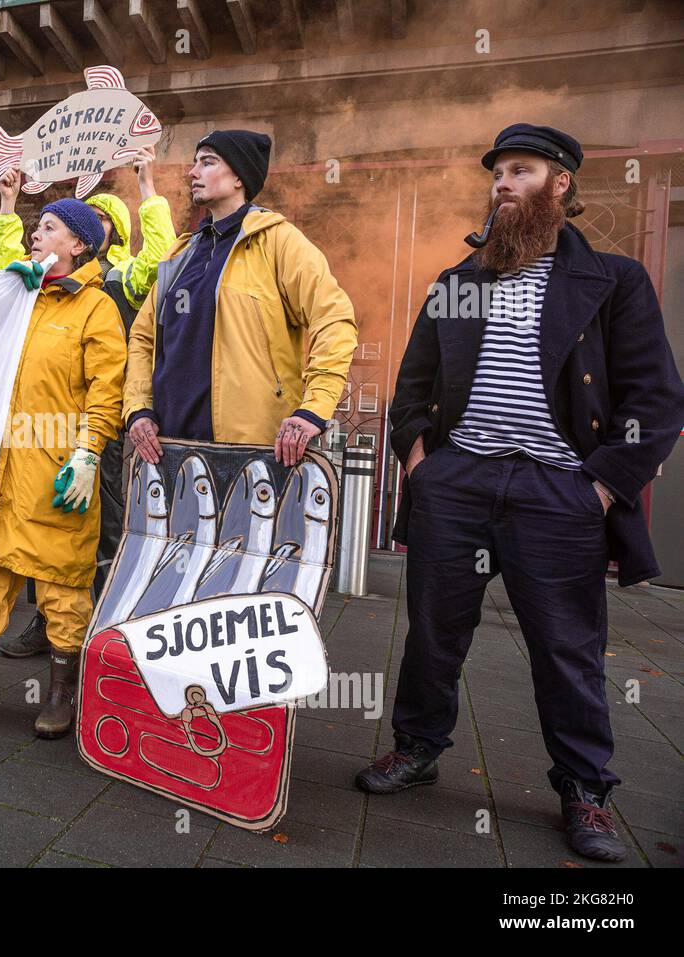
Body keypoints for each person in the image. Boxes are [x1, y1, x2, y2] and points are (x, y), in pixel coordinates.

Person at [356, 124, 684, 863]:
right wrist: (420, 462)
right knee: (434, 632)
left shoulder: (612, 280)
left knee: (567, 647)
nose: (503, 182)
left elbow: (656, 401)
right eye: (498, 172)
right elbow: (411, 387)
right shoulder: (459, 282)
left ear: (560, 184)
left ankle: (585, 789)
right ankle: (417, 747)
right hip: (459, 481)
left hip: (557, 490)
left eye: (521, 170)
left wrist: (599, 486)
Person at [0, 148, 179, 658]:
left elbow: (161, 257)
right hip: (33, 438)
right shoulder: (32, 285)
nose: (42, 234)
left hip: (97, 433)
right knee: (33, 533)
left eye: (97, 218)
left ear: (98, 237)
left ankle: (105, 625)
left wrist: (147, 191)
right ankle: (46, 627)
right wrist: (8, 208)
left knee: (99, 530)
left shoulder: (121, 281)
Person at [0, 198, 126, 737]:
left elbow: (108, 388)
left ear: (77, 244)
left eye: (48, 227)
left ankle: (60, 695)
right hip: (4, 469)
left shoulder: (96, 309)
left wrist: (88, 452)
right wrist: (3, 292)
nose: (36, 234)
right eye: (36, 226)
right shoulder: (19, 296)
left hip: (57, 470)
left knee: (63, 585)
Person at [124, 130, 357, 466]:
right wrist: (138, 409)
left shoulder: (279, 241)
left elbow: (334, 319)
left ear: (238, 177)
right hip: (168, 452)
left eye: (207, 162)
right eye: (194, 163)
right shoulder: (180, 254)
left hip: (249, 455)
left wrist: (314, 409)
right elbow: (144, 338)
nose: (193, 172)